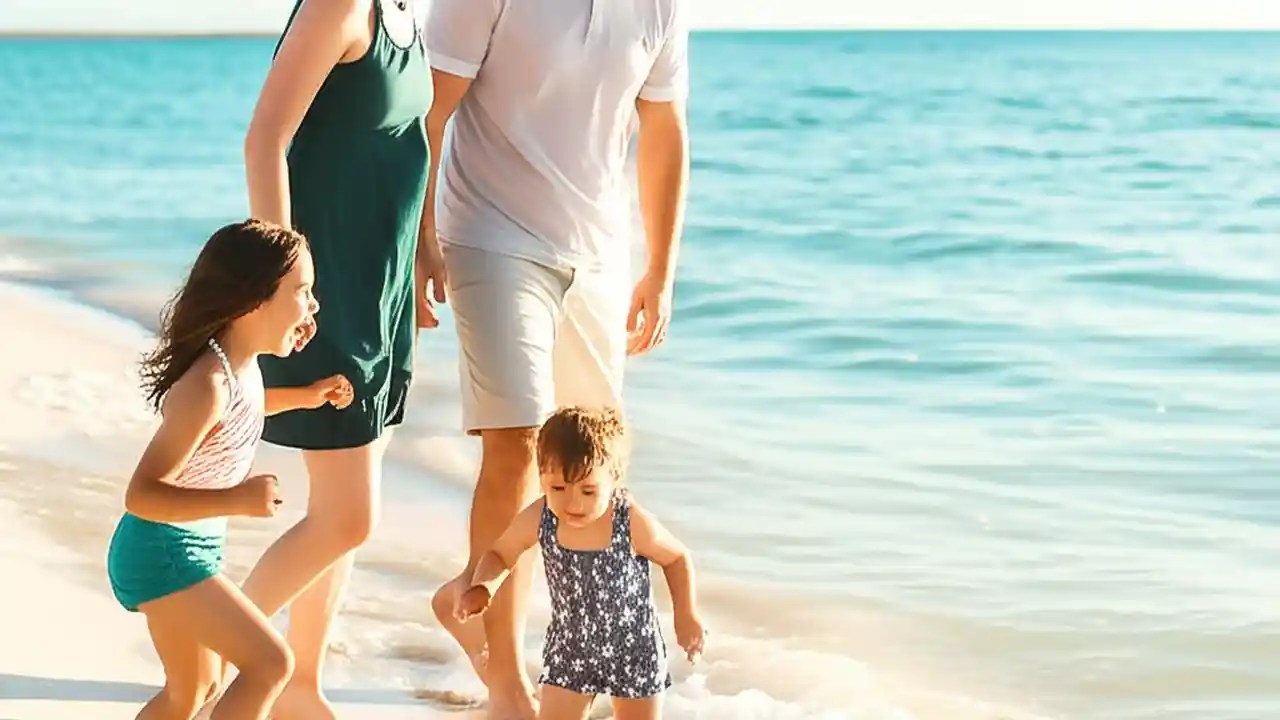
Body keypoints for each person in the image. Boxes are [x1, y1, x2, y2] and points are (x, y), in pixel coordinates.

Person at [420, 0, 692, 714]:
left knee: (590, 464)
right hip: (491, 234)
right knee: (515, 444)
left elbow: (663, 125)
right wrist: (420, 235)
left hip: (599, 255)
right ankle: (507, 681)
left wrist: (659, 270)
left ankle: (528, 636)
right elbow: (430, 111)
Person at [237, 0, 438, 716]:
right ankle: (208, 651)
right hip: (325, 290)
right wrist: (286, 280)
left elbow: (406, 140)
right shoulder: (340, 6)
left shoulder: (409, 14)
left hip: (381, 286)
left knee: (341, 503)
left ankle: (299, 685)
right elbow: (264, 141)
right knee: (351, 517)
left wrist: (423, 250)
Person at [106, 220, 354, 720]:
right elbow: (142, 494)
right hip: (162, 551)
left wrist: (306, 398)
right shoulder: (208, 385)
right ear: (252, 301)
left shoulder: (240, 364)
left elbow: (249, 409)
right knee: (270, 663)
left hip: (187, 548)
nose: (314, 306)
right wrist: (236, 499)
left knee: (193, 693)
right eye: (302, 292)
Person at [454, 406, 706, 720]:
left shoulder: (629, 521)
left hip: (634, 649)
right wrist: (483, 586)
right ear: (542, 474)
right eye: (557, 488)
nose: (573, 503)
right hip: (571, 649)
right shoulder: (541, 516)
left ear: (613, 479)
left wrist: (686, 615)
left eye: (588, 490)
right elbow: (501, 554)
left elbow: (676, 558)